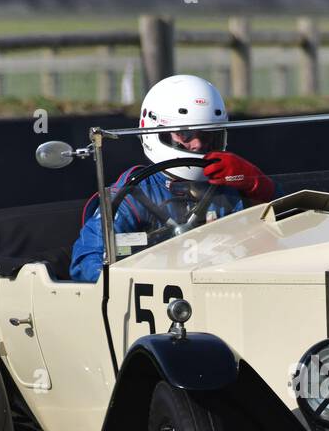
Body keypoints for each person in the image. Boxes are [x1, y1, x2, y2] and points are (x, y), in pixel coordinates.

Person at [68, 74, 275, 282]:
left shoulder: (228, 189)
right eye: (184, 135)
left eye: (207, 136)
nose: (197, 145)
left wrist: (258, 184)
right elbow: (87, 263)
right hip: (154, 303)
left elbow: (285, 233)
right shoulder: (133, 194)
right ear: (153, 129)